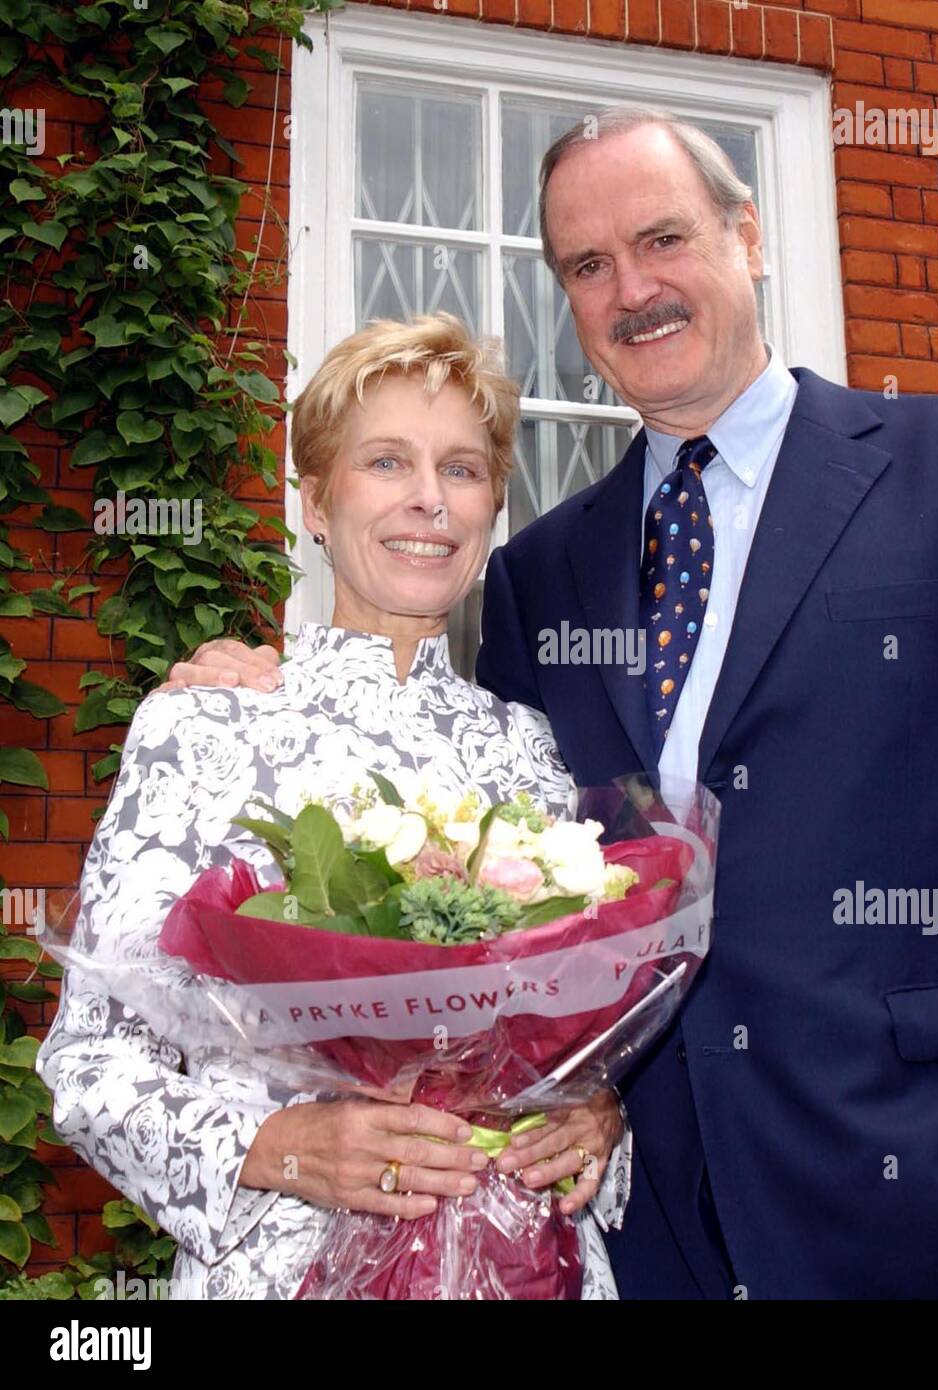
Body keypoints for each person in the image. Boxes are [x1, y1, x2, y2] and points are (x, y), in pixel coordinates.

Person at [162, 107, 938, 1300]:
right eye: (587, 266)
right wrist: (261, 689)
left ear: (746, 236)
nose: (631, 289)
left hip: (936, 1188)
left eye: (661, 239)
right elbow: (497, 880)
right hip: (639, 1212)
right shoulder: (539, 572)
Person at [37, 315, 626, 1300]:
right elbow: (89, 1064)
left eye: (462, 469)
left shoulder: (530, 752)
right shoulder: (210, 724)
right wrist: (285, 1143)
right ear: (313, 499)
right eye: (386, 461)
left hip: (531, 1265)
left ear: (493, 507)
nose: (428, 500)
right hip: (286, 1270)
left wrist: (596, 1115)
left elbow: (573, 1049)